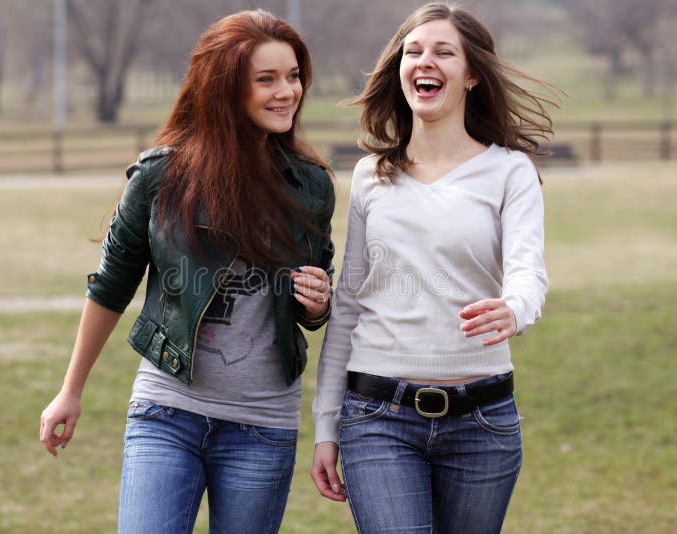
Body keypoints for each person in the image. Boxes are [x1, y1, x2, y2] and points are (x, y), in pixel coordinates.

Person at [39, 9, 335, 533]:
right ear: (224, 88)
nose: (286, 91)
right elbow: (111, 285)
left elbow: (313, 303)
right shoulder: (161, 175)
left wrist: (318, 303)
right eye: (266, 79)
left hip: (263, 426)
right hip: (167, 413)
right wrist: (71, 390)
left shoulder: (311, 185)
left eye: (293, 76)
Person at [310, 3, 555, 533]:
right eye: (414, 51)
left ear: (472, 75)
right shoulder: (372, 176)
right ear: (400, 69)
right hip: (378, 418)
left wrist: (515, 309)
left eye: (444, 52)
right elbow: (348, 305)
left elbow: (528, 272)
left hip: (483, 422)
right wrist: (326, 424)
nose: (425, 61)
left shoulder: (509, 171)